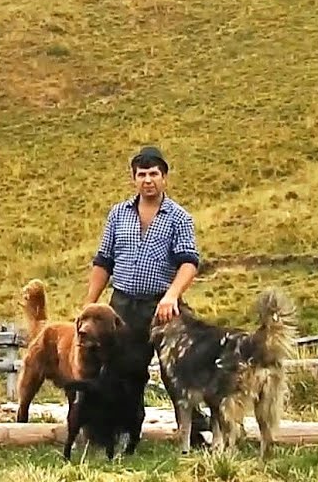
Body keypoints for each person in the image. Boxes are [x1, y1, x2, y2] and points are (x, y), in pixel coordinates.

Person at [83, 145, 211, 442]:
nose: (148, 180)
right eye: (142, 175)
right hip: (123, 305)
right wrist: (89, 303)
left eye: (153, 174)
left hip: (162, 307)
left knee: (176, 371)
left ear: (164, 177)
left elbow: (189, 263)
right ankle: (123, 434)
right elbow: (104, 261)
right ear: (134, 179)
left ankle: (192, 434)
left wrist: (172, 295)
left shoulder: (179, 217)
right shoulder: (118, 214)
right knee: (123, 370)